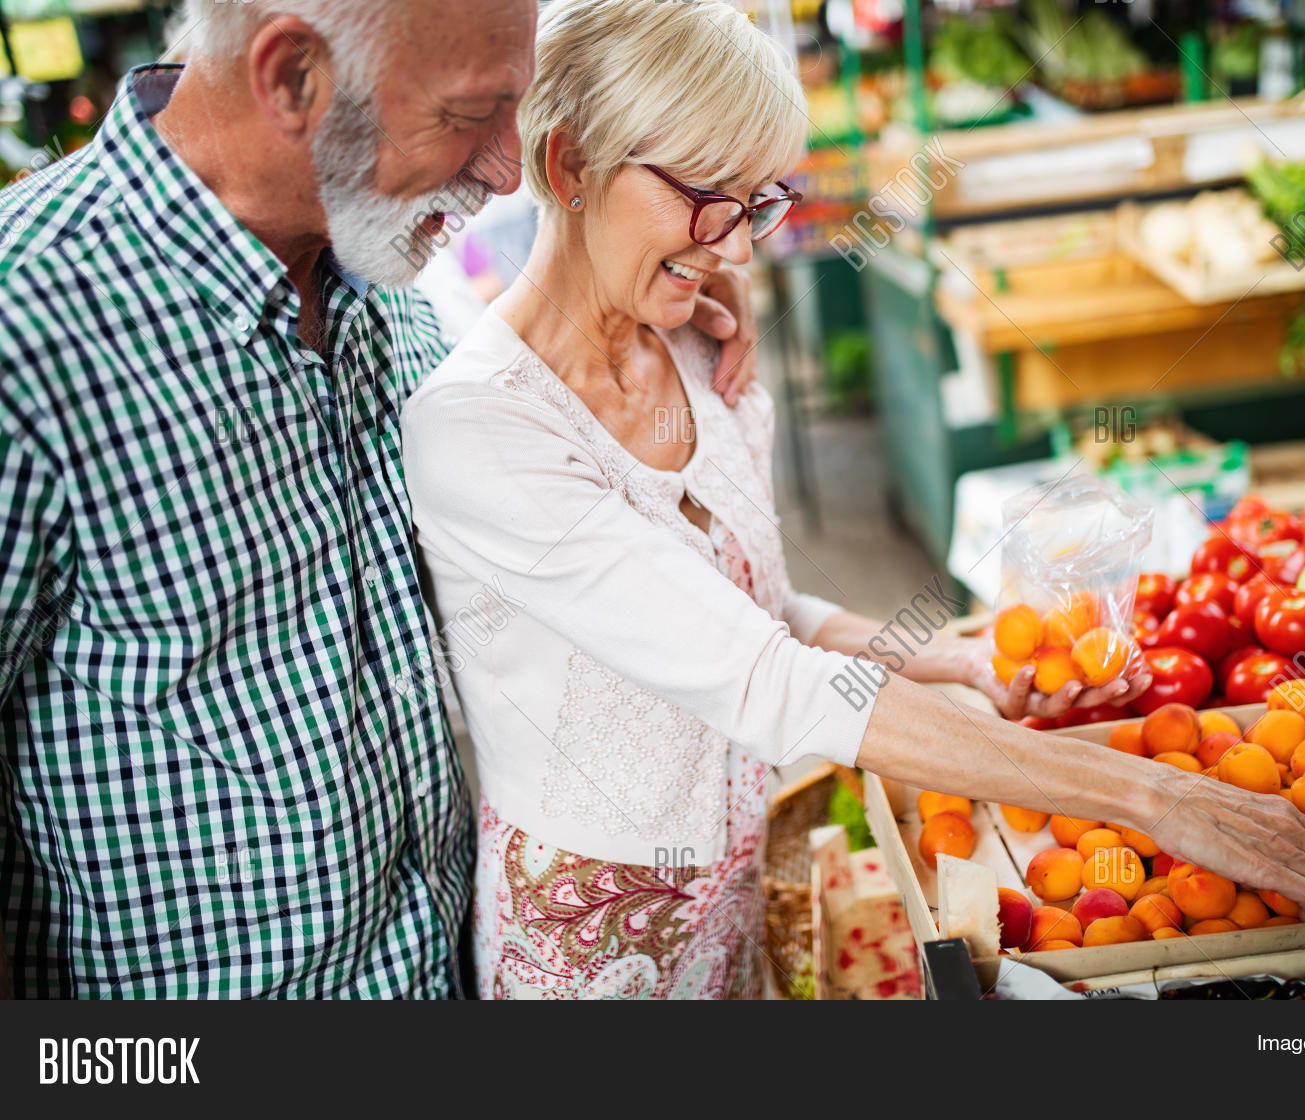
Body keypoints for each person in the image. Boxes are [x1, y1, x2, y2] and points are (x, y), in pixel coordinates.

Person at [402, 0, 1305, 1000]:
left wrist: (959, 660)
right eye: (706, 198)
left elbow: (760, 613)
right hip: (587, 944)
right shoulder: (480, 432)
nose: (736, 251)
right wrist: (1153, 794)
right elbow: (765, 678)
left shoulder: (690, 345)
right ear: (570, 168)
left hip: (733, 879)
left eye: (756, 202)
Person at [0, 0, 762, 998]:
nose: (502, 171)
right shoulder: (29, 326)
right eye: (468, 116)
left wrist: (647, 301)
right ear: (293, 80)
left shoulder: (386, 285)